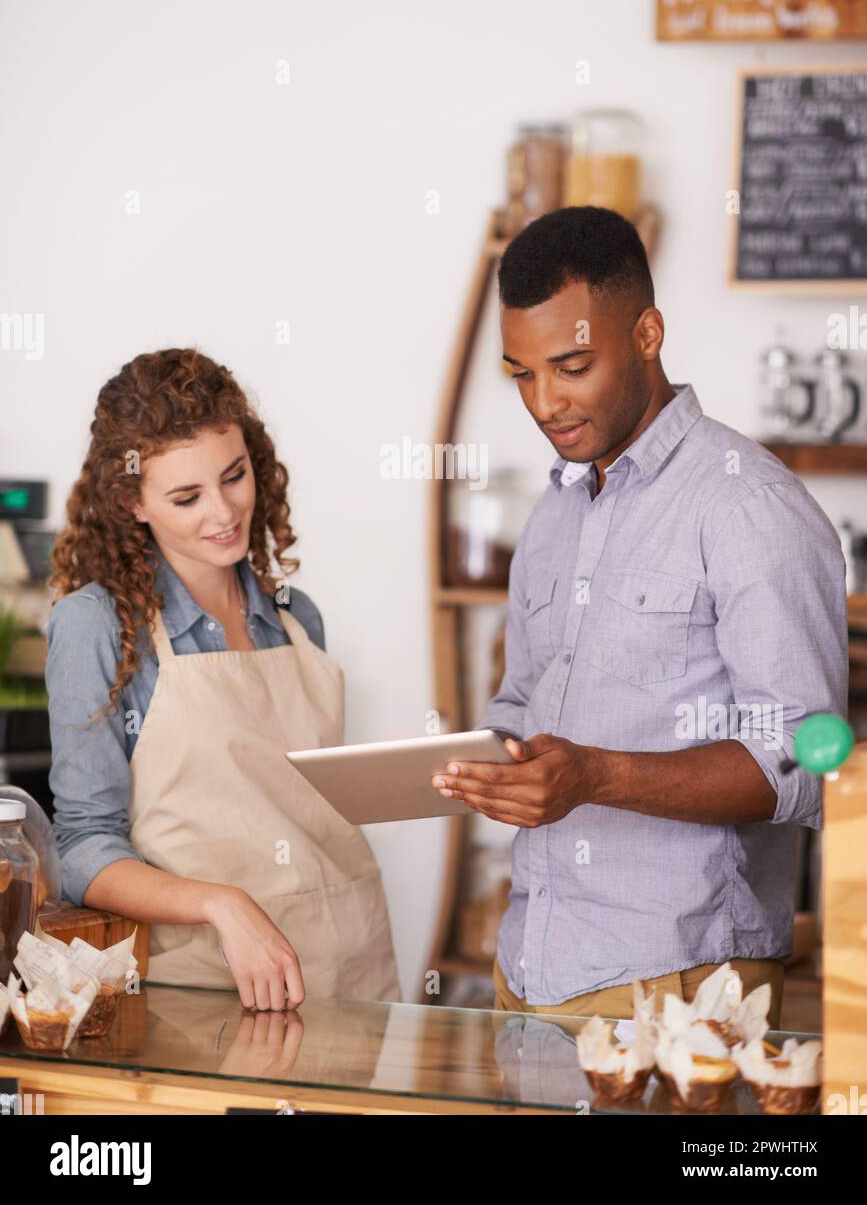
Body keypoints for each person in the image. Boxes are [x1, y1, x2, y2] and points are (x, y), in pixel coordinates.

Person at [431, 206, 848, 1027]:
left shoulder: (748, 505)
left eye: (572, 365)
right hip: (531, 966)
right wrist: (486, 767)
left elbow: (812, 760)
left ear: (647, 333)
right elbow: (523, 705)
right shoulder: (555, 512)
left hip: (684, 983)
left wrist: (596, 775)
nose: (545, 402)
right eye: (520, 374)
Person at [47, 347, 400, 1011]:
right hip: (208, 989)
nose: (223, 512)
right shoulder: (97, 626)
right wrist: (220, 903)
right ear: (132, 503)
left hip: (350, 963)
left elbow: (305, 811)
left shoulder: (298, 620)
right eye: (186, 497)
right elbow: (82, 848)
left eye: (234, 476)